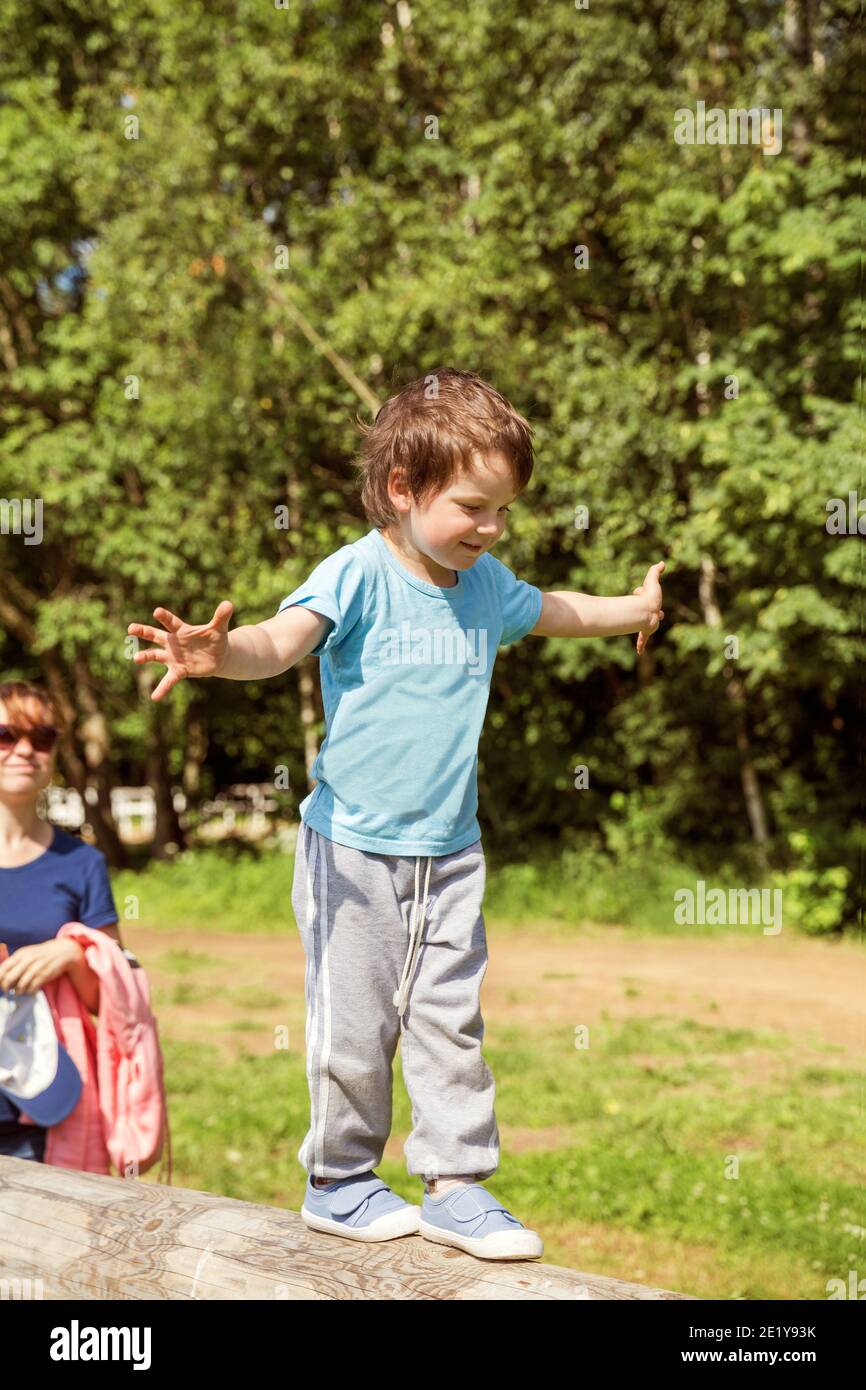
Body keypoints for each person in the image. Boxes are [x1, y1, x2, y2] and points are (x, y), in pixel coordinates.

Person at [126, 366, 664, 1260]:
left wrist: (636, 609)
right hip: (353, 851)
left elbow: (557, 609)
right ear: (403, 489)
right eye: (473, 507)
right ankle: (338, 1180)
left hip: (452, 850)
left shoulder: (487, 586)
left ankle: (457, 1187)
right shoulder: (359, 572)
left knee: (450, 1018)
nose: (490, 529)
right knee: (355, 1020)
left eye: (503, 512)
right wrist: (221, 656)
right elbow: (277, 641)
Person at [0, 681, 123, 1162]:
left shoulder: (82, 864)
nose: (25, 750)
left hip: (42, 1112)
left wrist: (74, 953)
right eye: (6, 735)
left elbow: (109, 1001)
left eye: (42, 738)